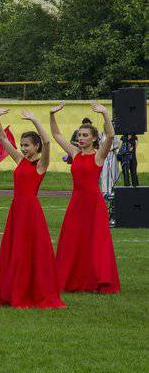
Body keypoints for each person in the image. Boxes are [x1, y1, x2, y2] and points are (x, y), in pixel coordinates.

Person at [0, 109, 65, 309]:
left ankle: (29, 292)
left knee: (29, 252)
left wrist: (35, 120)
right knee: (14, 252)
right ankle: (13, 292)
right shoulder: (20, 160)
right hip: (16, 211)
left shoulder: (41, 164)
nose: (23, 148)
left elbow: (48, 142)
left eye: (27, 145)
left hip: (31, 212)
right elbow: (1, 138)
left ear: (36, 146)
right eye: (22, 145)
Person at [50, 102, 120, 294]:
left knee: (96, 243)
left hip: (94, 205)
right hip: (76, 204)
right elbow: (56, 135)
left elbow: (112, 135)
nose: (80, 138)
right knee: (73, 242)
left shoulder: (99, 156)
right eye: (79, 135)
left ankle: (98, 280)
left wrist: (105, 113)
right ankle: (72, 280)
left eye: (85, 135)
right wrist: (52, 115)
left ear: (94, 138)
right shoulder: (74, 153)